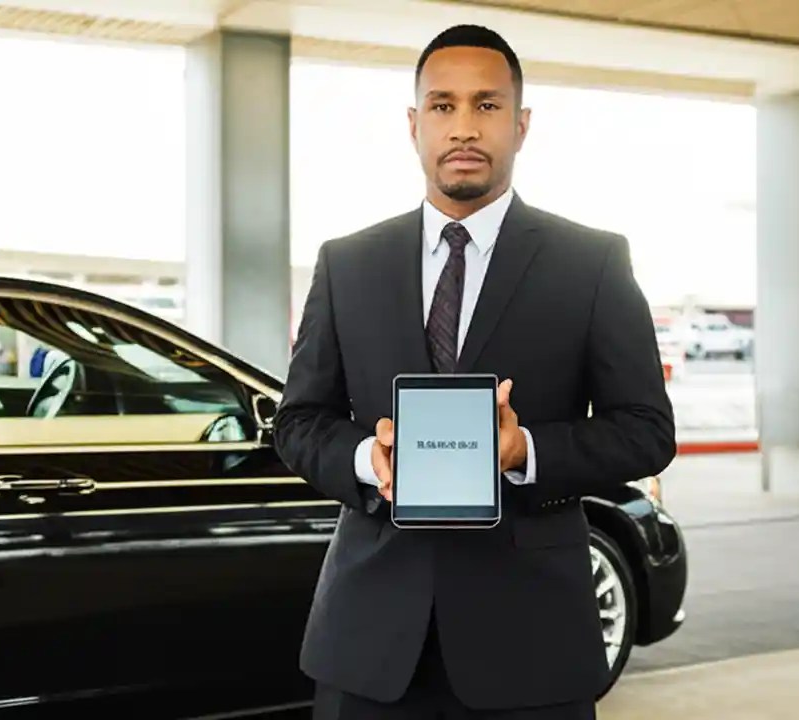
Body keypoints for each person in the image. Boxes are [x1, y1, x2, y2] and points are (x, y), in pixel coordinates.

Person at [274, 23, 675, 720]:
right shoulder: (348, 264)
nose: (464, 127)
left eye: (487, 106)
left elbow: (645, 432)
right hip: (369, 646)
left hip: (531, 646)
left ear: (521, 125)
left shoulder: (592, 264)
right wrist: (370, 459)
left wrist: (527, 450)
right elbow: (299, 423)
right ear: (414, 124)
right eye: (443, 105)